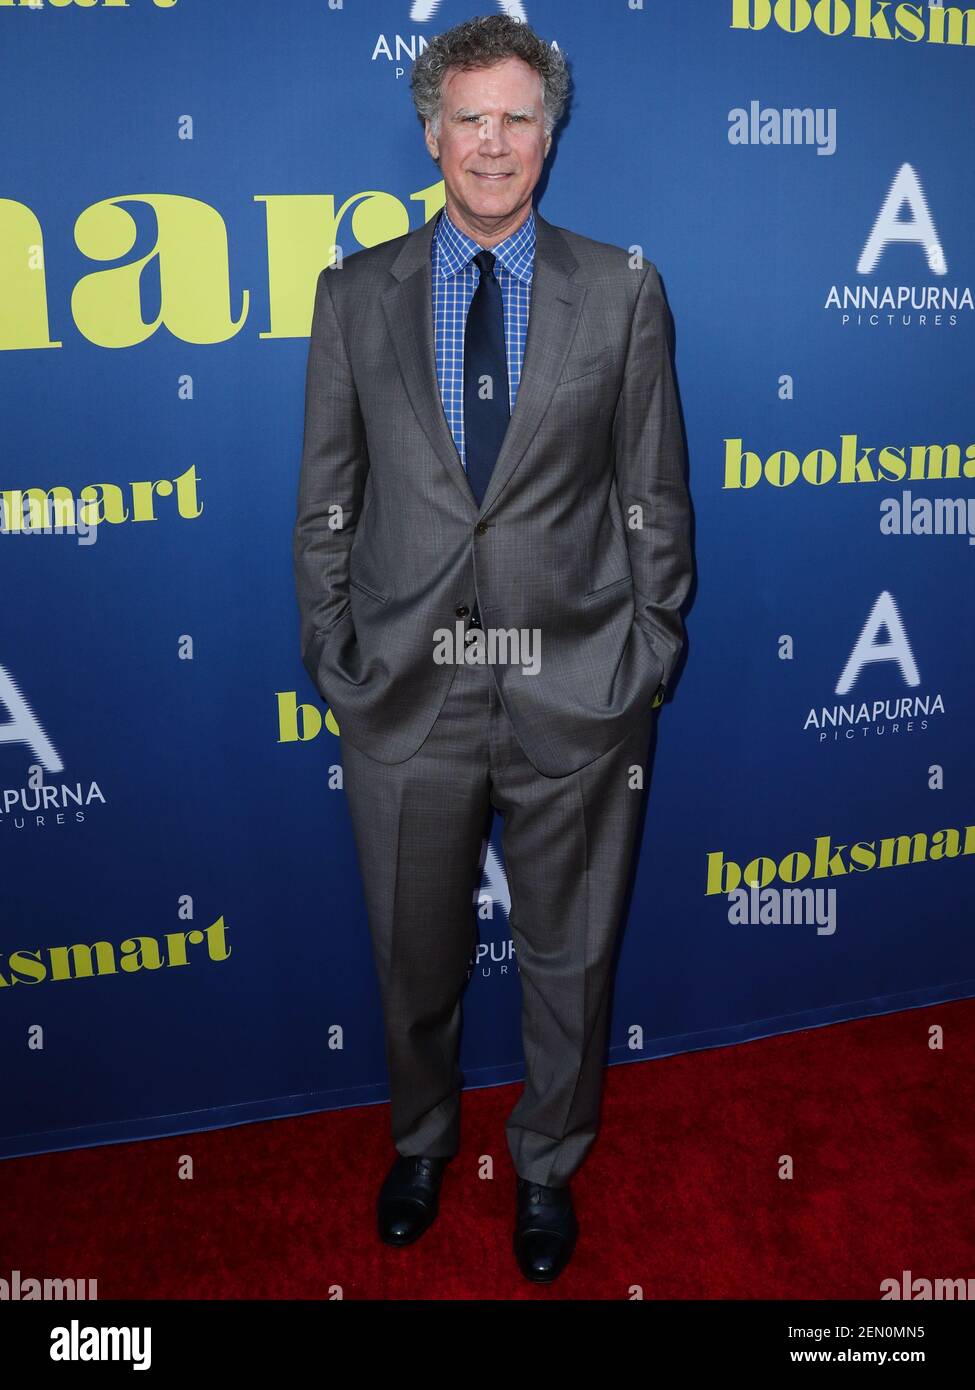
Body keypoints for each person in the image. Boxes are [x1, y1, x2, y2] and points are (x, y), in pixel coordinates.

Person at [293, 12, 692, 1284]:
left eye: (520, 116)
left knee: (570, 958)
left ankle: (544, 1165)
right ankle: (420, 1139)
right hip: (406, 694)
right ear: (430, 132)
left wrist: (645, 656)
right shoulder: (355, 294)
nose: (495, 143)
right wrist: (337, 658)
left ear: (551, 132)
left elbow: (658, 496)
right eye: (471, 117)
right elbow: (326, 500)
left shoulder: (622, 289)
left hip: (576, 686)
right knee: (413, 955)